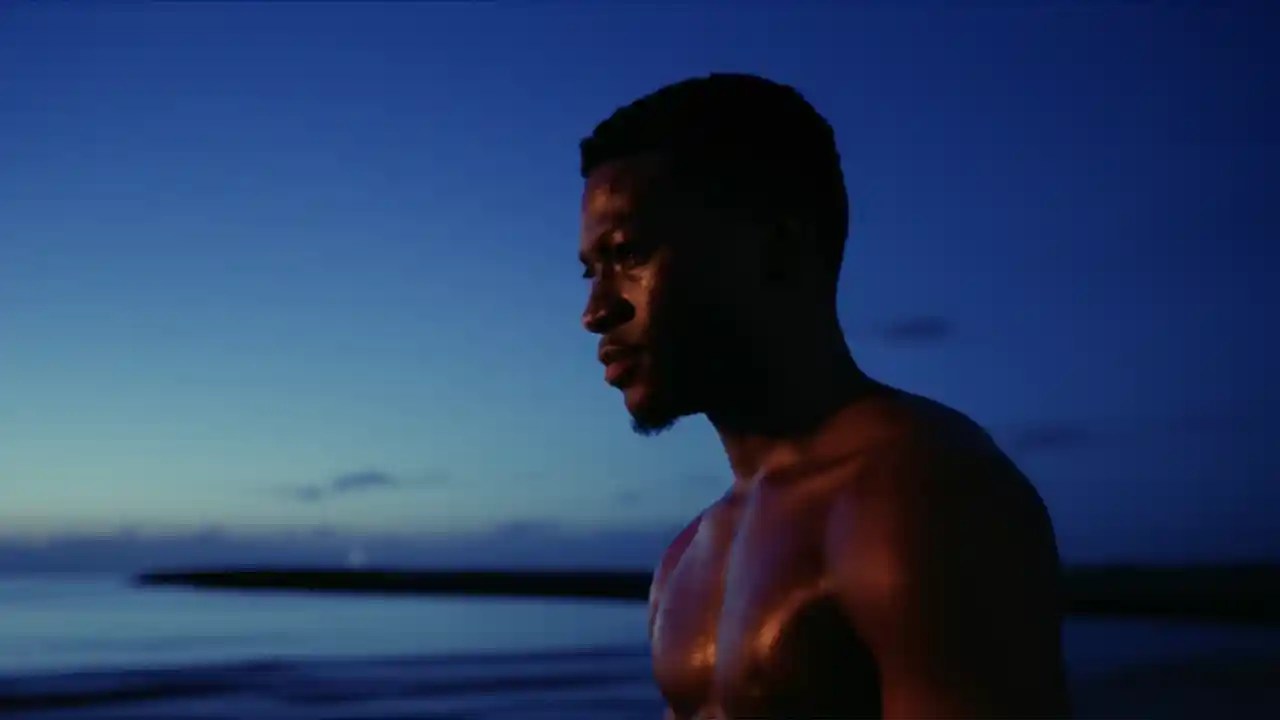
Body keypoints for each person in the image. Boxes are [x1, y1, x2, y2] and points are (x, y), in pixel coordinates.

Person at [576, 73, 1071, 719]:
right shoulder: (687, 555)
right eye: (592, 271)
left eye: (628, 254)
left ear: (776, 248)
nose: (595, 311)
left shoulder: (921, 496)